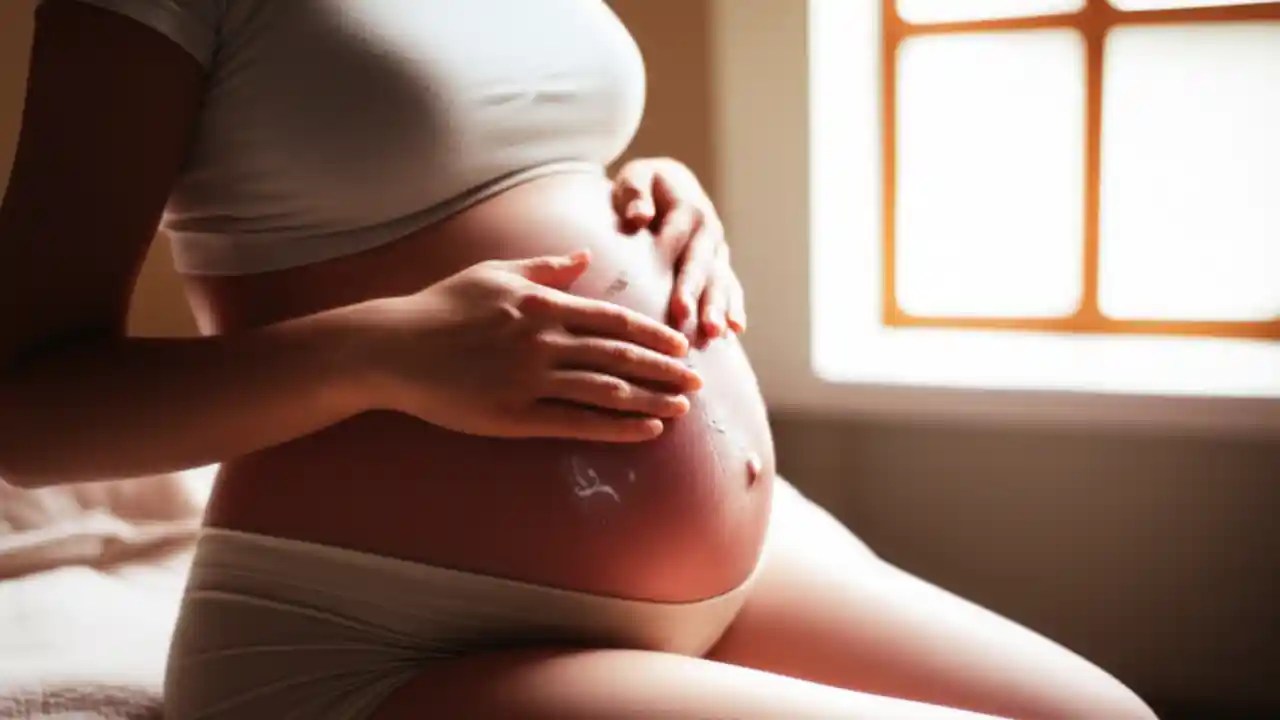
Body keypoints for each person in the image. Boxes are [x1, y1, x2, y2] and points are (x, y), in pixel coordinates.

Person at [0, 1, 1158, 718]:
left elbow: (473, 147)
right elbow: (28, 410)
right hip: (378, 640)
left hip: (721, 569)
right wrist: (383, 350)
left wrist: (644, 190)